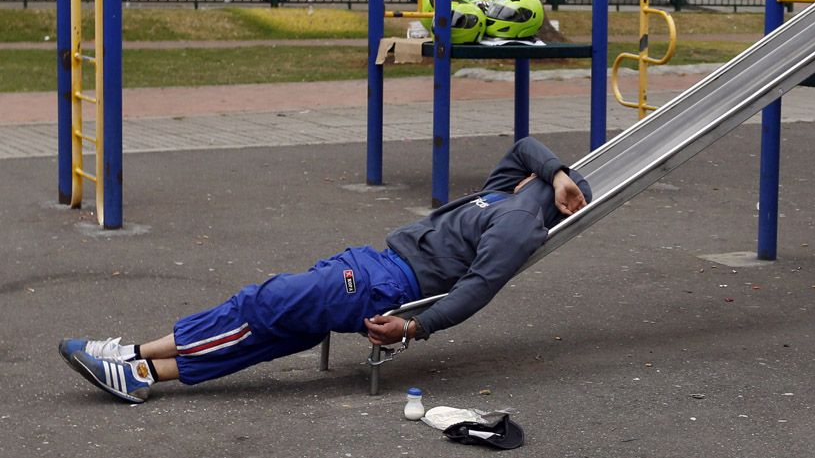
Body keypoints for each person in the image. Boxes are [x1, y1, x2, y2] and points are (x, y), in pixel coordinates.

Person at [60, 136, 591, 404]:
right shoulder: (509, 193)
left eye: (539, 177)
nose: (527, 172)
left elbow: (477, 289)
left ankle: (131, 360)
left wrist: (413, 327)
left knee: (260, 304)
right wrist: (558, 170)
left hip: (382, 285)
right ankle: (140, 372)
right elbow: (526, 147)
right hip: (372, 264)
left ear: (543, 195)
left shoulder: (518, 221)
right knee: (276, 333)